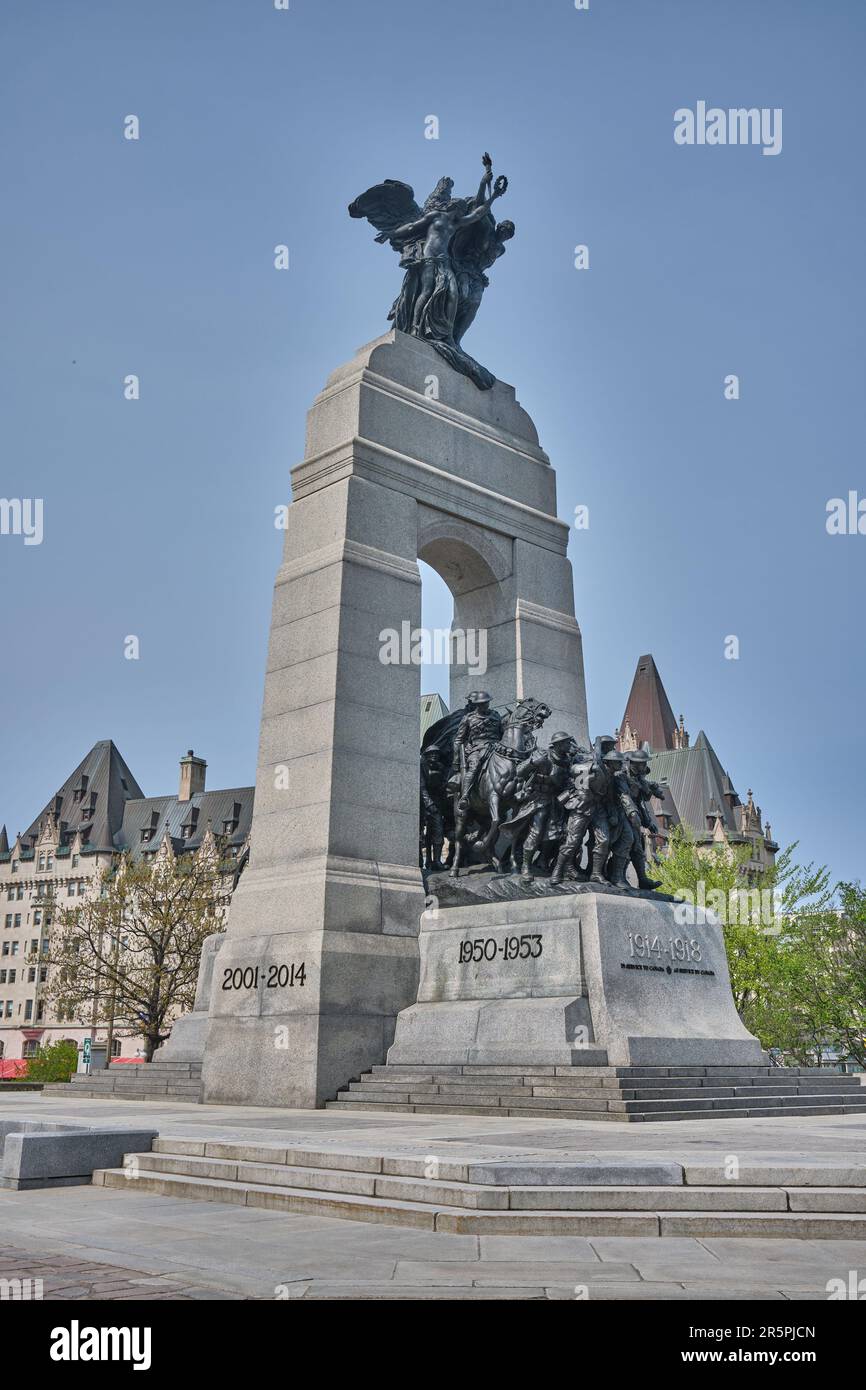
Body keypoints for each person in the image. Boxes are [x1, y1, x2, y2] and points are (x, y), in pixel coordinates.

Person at [452, 691, 503, 814]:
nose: (485, 705)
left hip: (496, 747)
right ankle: (465, 796)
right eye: (482, 704)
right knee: (474, 767)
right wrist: (456, 759)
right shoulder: (468, 718)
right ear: (477, 705)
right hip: (477, 748)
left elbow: (502, 733)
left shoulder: (496, 715)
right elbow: (458, 740)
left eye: (486, 703)